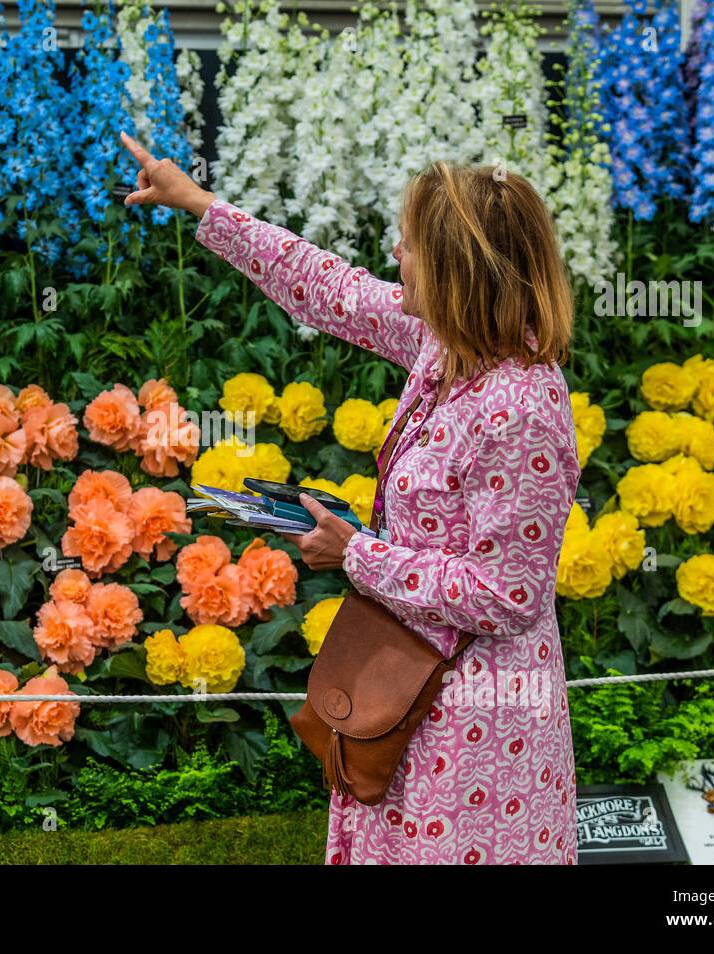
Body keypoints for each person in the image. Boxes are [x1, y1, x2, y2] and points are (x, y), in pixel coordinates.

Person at [118, 131, 581, 865]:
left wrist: (359, 555)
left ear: (459, 270)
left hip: (478, 727)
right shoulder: (445, 346)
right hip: (407, 687)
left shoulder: (522, 409)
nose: (395, 256)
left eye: (410, 245)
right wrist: (197, 203)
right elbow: (329, 288)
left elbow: (509, 594)